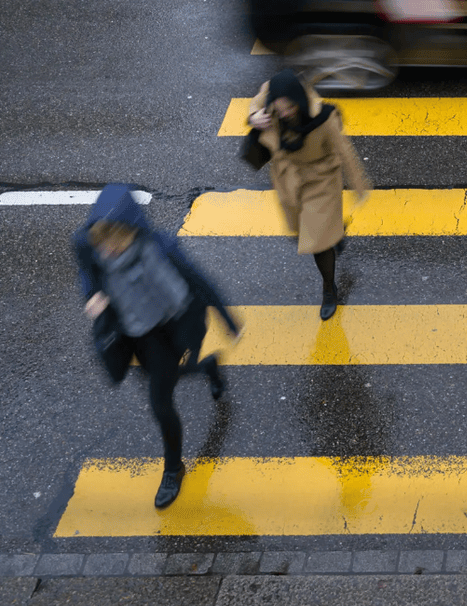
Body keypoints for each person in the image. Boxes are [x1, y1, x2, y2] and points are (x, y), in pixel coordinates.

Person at [73, 183, 241, 509]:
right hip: (131, 332)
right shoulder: (88, 244)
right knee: (162, 378)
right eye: (102, 242)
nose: (107, 250)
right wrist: (91, 294)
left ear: (132, 231)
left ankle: (173, 470)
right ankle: (208, 366)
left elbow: (200, 282)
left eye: (115, 241)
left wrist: (228, 321)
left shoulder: (161, 247)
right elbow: (86, 271)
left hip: (168, 330)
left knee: (160, 402)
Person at [247, 70, 370, 320]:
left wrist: (359, 185)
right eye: (278, 110)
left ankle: (329, 289)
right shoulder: (274, 94)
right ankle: (335, 231)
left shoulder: (324, 117)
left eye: (289, 108)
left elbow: (345, 151)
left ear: (298, 100)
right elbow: (259, 99)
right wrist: (253, 117)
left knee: (317, 242)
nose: (283, 114)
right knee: (302, 233)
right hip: (288, 179)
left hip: (321, 179)